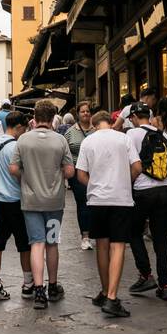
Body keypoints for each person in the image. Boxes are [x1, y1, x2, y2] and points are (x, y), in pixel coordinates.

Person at [10, 99, 74, 309]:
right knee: (52, 243)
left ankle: (39, 291)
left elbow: (13, 168)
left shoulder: (23, 140)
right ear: (53, 117)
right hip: (54, 201)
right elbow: (70, 171)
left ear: (35, 118)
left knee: (36, 243)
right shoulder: (60, 140)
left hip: (30, 200)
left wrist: (25, 178)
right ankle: (53, 285)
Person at [76, 110, 132, 317]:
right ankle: (111, 297)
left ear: (93, 123)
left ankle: (104, 290)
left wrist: (95, 185)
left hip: (97, 200)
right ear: (110, 121)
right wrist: (125, 182)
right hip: (121, 199)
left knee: (101, 244)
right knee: (118, 246)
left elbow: (80, 173)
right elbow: (136, 167)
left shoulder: (88, 142)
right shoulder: (123, 139)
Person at [126, 102, 167, 301]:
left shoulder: (131, 135)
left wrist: (130, 184)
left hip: (141, 191)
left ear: (133, 117)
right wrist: (166, 184)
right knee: (161, 239)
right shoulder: (163, 135)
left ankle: (146, 275)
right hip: (164, 191)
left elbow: (133, 165)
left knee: (133, 232)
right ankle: (165, 285)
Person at [0, 110, 31, 300]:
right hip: (16, 200)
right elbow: (22, 173)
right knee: (24, 243)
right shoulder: (17, 147)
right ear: (19, 127)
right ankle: (28, 284)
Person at [66, 101, 94, 250]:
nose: (86, 114)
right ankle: (85, 236)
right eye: (83, 111)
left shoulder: (96, 130)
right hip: (77, 172)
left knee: (95, 202)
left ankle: (95, 231)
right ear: (78, 114)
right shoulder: (70, 132)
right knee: (83, 202)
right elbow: (65, 152)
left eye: (88, 111)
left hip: (95, 171)